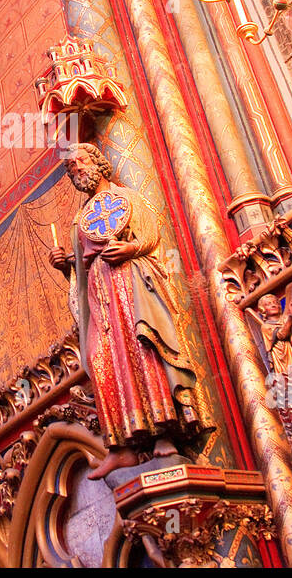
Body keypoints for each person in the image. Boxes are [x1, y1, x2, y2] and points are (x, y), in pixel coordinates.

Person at [48, 143, 206, 479]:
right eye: (71, 169)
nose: (77, 170)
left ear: (98, 163)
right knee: (102, 359)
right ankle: (121, 446)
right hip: (99, 296)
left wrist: (131, 247)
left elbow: (151, 236)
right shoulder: (80, 218)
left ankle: (163, 434)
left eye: (80, 163)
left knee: (141, 349)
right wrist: (66, 267)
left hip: (130, 285)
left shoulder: (127, 197)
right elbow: (81, 266)